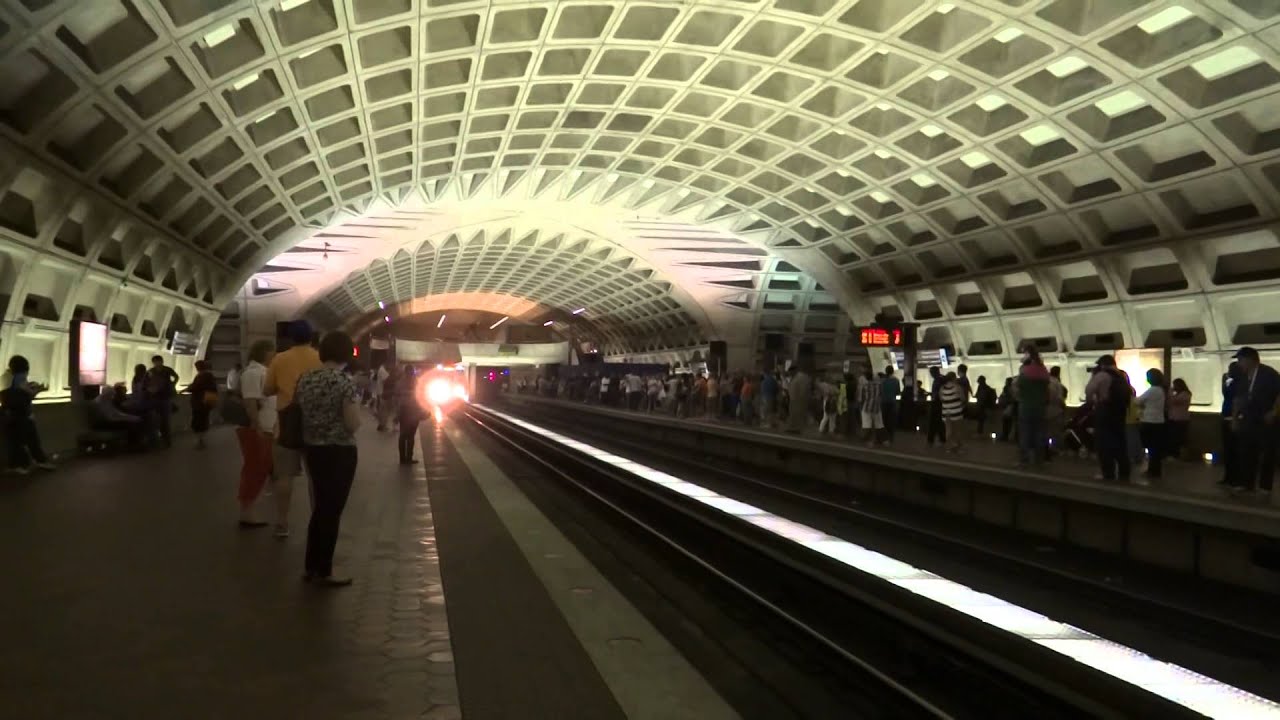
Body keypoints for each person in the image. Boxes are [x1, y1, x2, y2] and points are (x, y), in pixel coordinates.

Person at [294, 331, 362, 587]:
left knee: (320, 507)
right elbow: (352, 423)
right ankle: (325, 571)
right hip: (340, 451)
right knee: (332, 511)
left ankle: (310, 567)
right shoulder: (344, 382)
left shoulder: (306, 379)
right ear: (346, 353)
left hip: (313, 450)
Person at [264, 321, 323, 537]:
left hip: (286, 425)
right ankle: (316, 522)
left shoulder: (280, 359)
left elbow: (267, 388)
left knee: (284, 477)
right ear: (311, 337)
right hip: (315, 426)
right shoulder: (319, 358)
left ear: (290, 338)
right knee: (315, 478)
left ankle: (281, 523)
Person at [234, 341, 276, 529]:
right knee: (255, 468)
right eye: (271, 351)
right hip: (256, 428)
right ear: (264, 352)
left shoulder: (262, 372)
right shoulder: (253, 373)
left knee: (260, 467)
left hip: (265, 428)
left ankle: (249, 508)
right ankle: (247, 511)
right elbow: (250, 401)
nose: (274, 354)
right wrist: (257, 425)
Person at [1231, 347, 1280, 498]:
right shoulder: (1242, 376)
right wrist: (1234, 418)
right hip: (1248, 419)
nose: (1239, 363)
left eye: (1241, 360)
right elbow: (1238, 399)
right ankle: (1246, 483)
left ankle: (1265, 486)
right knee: (1246, 450)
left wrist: (1274, 411)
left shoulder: (1268, 373)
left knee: (1267, 452)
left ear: (1250, 359)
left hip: (1265, 418)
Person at [2, 356, 53, 474]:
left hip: (11, 414)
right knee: (30, 439)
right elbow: (27, 393)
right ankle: (35, 462)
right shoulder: (20, 377)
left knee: (16, 441)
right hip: (22, 414)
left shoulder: (9, 377)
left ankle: (18, 465)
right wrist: (39, 390)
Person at [1086, 356, 1132, 482]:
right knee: (1120, 442)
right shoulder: (1122, 375)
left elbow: (1089, 390)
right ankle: (1124, 472)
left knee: (1104, 443)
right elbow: (1131, 392)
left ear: (1103, 364)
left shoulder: (1102, 375)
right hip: (1120, 413)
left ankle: (1108, 473)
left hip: (1105, 411)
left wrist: (1092, 401)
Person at [1015, 349, 1050, 468]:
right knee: (1040, 434)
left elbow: (1016, 389)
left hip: (1026, 407)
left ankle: (1024, 460)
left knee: (1025, 434)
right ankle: (1039, 460)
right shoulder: (1044, 373)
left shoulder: (1025, 373)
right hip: (1040, 408)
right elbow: (1047, 393)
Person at [1135, 368, 1167, 481]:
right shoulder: (1161, 390)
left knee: (1151, 447)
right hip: (1159, 421)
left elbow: (1137, 401)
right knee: (1155, 448)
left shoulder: (1152, 390)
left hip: (1149, 421)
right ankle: (1155, 470)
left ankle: (1152, 470)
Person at [147, 355, 180, 447]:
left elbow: (176, 377)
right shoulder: (151, 371)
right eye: (155, 362)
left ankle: (167, 440)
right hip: (156, 397)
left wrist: (172, 384)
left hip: (165, 397)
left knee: (165, 419)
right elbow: (147, 381)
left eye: (158, 361)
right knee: (158, 419)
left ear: (161, 361)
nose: (157, 363)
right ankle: (160, 439)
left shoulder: (167, 370)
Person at [186, 360, 218, 449]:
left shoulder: (202, 375)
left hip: (199, 403)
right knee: (203, 420)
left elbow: (195, 387)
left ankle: (199, 440)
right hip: (206, 402)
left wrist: (187, 388)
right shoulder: (209, 375)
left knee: (198, 421)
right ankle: (201, 440)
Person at [1220, 363, 1242, 487]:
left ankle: (1236, 478)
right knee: (1228, 450)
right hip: (1226, 417)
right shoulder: (1229, 381)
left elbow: (1233, 397)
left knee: (1235, 450)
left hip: (1236, 418)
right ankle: (1228, 476)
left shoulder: (1240, 383)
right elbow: (1225, 392)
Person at [397, 367, 424, 464]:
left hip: (403, 411)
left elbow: (397, 398)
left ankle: (402, 459)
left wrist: (397, 413)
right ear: (413, 372)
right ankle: (408, 458)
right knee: (410, 436)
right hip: (413, 411)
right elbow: (421, 396)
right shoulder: (416, 382)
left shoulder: (400, 382)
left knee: (403, 435)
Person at [940, 371, 966, 452]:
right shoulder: (957, 387)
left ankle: (949, 447)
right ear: (953, 378)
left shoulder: (942, 388)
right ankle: (958, 448)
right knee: (957, 430)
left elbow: (941, 399)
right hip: (956, 412)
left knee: (948, 430)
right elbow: (963, 398)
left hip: (946, 412)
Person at [1166, 379, 1192, 461]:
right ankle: (1174, 454)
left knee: (1179, 437)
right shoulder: (1178, 394)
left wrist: (1169, 392)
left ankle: (1178, 455)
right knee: (1173, 437)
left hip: (1181, 419)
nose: (1174, 387)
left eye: (1175, 385)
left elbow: (1174, 401)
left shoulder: (1185, 394)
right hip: (1174, 418)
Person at [857, 367, 883, 445]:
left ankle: (862, 439)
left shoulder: (865, 386)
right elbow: (881, 395)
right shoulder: (879, 385)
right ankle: (872, 441)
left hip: (867, 406)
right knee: (875, 425)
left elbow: (862, 397)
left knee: (866, 425)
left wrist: (860, 404)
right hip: (876, 407)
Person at [1045, 366, 1066, 459]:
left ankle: (1047, 449)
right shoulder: (1057, 384)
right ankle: (1056, 449)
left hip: (1045, 410)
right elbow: (1060, 398)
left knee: (1047, 431)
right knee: (1056, 431)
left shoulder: (1046, 381)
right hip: (1056, 410)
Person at [787, 367, 811, 434]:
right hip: (793, 399)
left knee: (798, 414)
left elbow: (804, 389)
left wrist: (801, 397)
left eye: (790, 372)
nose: (790, 374)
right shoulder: (795, 377)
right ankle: (793, 427)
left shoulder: (801, 377)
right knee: (793, 413)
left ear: (794, 371)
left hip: (799, 399)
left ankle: (797, 428)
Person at [926, 366, 946, 448]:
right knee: (938, 422)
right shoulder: (942, 378)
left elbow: (938, 392)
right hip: (940, 403)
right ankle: (939, 439)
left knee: (934, 421)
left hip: (937, 403)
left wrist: (932, 395)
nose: (930, 374)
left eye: (931, 372)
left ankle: (933, 439)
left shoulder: (938, 380)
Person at [880, 367, 900, 445]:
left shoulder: (882, 381)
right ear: (893, 372)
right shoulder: (896, 380)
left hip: (883, 402)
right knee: (891, 421)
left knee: (883, 421)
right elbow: (897, 392)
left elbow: (880, 391)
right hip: (892, 402)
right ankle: (890, 438)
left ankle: (883, 438)